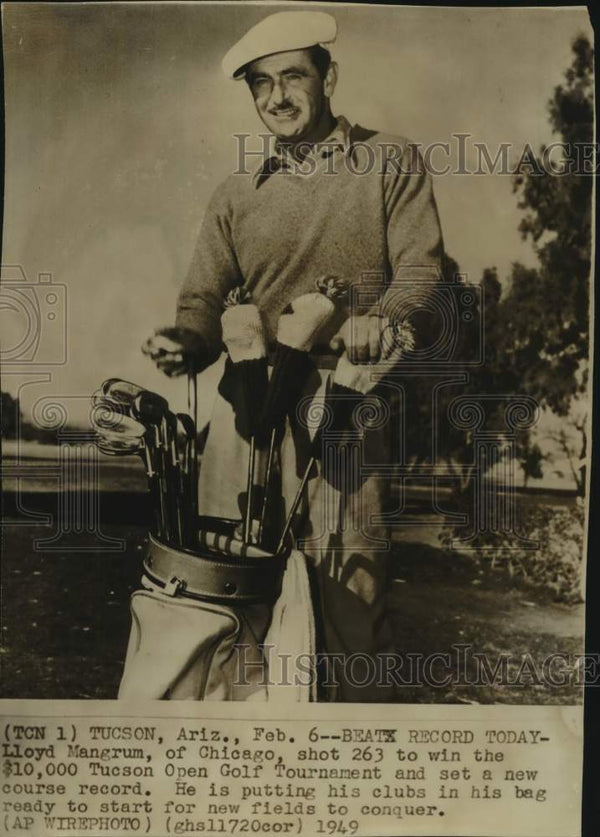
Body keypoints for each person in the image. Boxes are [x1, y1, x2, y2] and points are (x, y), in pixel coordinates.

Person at [142, 10, 444, 701]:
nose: (276, 97)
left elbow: (422, 273)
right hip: (245, 402)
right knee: (227, 593)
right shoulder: (235, 196)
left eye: (292, 78)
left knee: (348, 598)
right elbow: (202, 301)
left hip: (346, 401)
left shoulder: (390, 162)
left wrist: (383, 320)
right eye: (261, 85)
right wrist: (185, 341)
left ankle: (352, 778)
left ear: (328, 77)